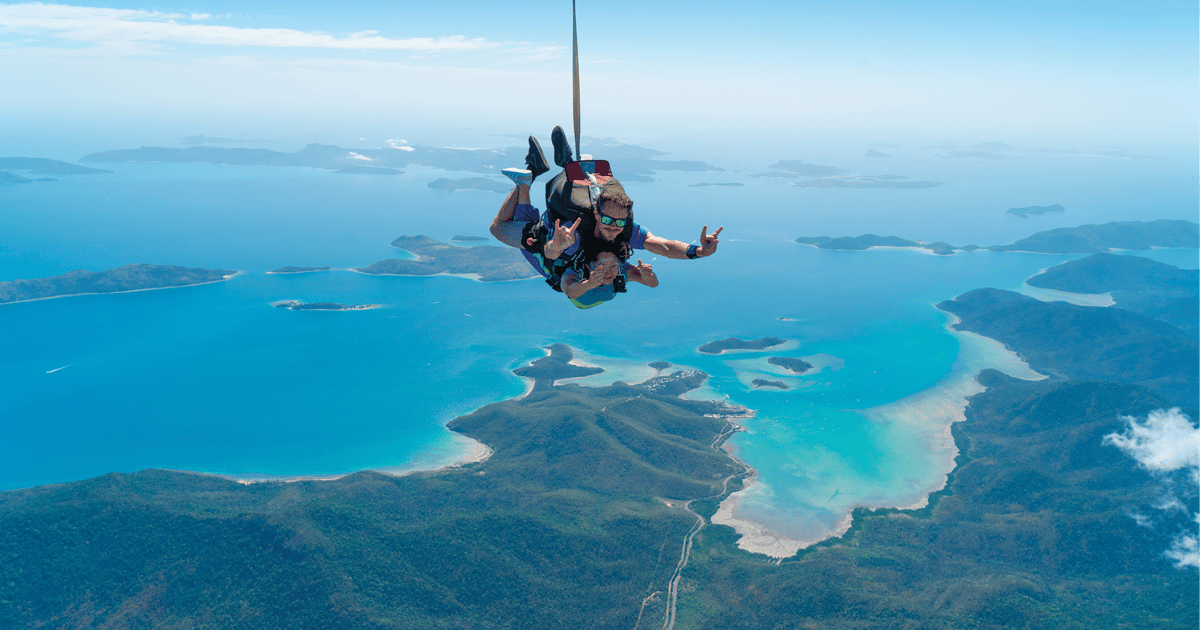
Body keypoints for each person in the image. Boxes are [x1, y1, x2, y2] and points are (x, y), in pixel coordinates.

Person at [561, 250, 658, 309]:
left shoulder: (622, 270)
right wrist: (589, 284)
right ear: (588, 266)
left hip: (586, 301)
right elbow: (570, 291)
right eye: (602, 267)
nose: (609, 272)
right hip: (579, 301)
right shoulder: (575, 272)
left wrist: (648, 276)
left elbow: (653, 283)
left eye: (612, 265)